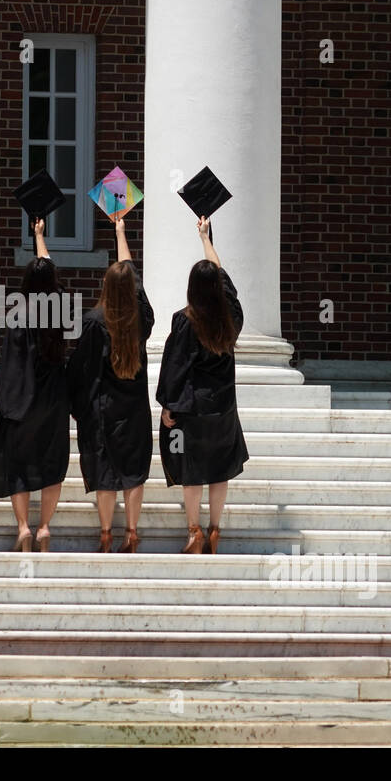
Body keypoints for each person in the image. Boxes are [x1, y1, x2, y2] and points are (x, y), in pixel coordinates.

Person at [156, 216, 250, 555]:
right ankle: (214, 530)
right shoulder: (232, 315)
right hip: (222, 407)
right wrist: (206, 239)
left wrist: (168, 403)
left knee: (193, 470)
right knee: (219, 469)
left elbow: (176, 366)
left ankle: (194, 531)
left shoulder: (185, 320)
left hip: (193, 408)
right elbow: (223, 279)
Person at [66, 215, 154, 553]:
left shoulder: (93, 322)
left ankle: (105, 535)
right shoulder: (141, 319)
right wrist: (121, 232)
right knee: (133, 472)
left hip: (103, 409)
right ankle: (131, 533)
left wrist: (75, 406)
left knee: (105, 473)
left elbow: (80, 369)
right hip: (134, 409)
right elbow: (138, 285)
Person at [0, 218, 69, 552]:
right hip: (52, 400)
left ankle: (23, 528)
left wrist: (5, 401)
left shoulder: (17, 314)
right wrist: (40, 237)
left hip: (21, 401)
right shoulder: (62, 310)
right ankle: (44, 527)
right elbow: (51, 274)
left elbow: (9, 362)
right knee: (51, 465)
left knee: (17, 465)